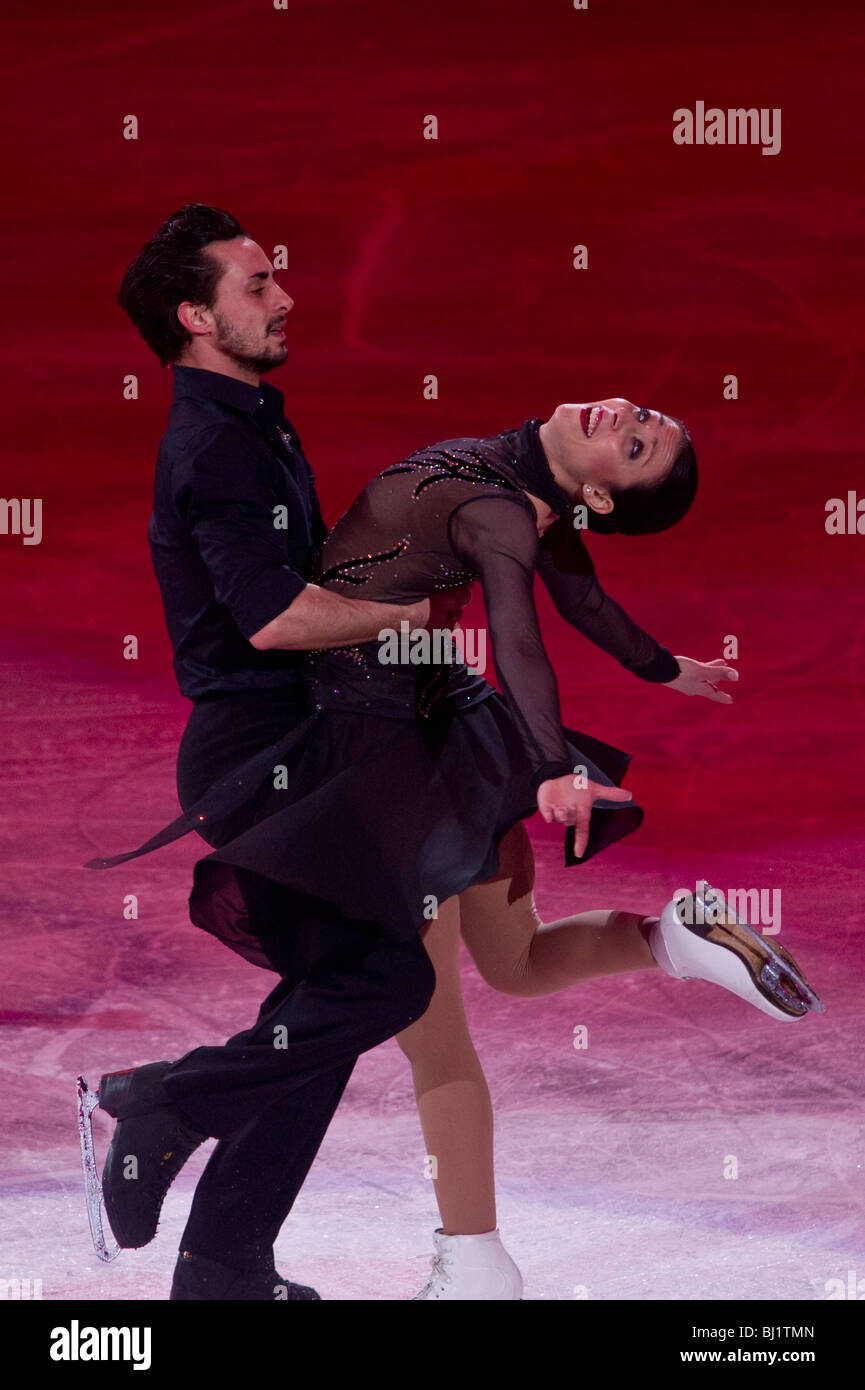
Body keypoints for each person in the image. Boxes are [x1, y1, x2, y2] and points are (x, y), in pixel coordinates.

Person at [81, 205, 821, 1302]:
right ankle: (189, 1157)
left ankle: (358, 1250)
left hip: (381, 741)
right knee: (399, 987)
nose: (285, 297)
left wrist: (620, 699)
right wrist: (471, 677)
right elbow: (284, 620)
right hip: (315, 745)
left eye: (637, 433)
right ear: (195, 317)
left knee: (390, 1006)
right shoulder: (237, 447)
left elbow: (554, 611)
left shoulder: (340, 441)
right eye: (256, 286)